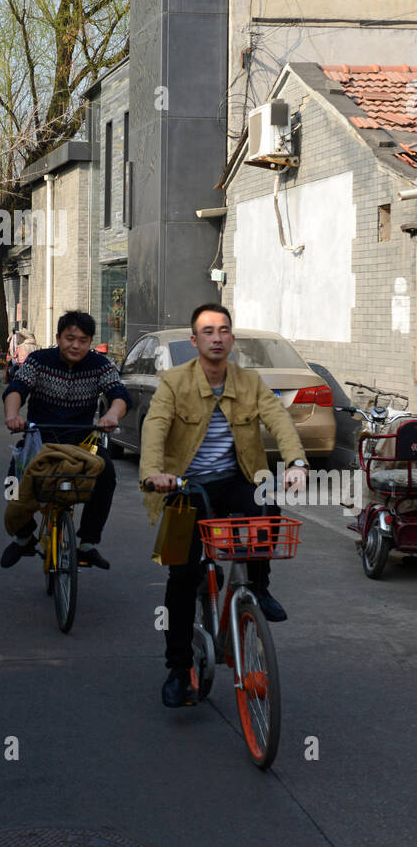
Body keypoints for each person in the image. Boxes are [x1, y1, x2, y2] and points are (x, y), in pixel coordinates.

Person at [139, 303, 308, 708]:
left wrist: (297, 463)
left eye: (224, 330)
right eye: (208, 331)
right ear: (195, 340)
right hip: (184, 487)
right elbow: (155, 426)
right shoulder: (174, 383)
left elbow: (279, 421)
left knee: (264, 501)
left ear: (232, 339)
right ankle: (178, 670)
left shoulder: (250, 382)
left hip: (236, 480)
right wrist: (153, 473)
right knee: (181, 580)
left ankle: (260, 588)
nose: (217, 337)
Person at [1, 310, 130, 570]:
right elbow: (17, 389)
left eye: (83, 340)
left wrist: (112, 415)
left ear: (90, 342)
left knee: (107, 474)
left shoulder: (100, 365)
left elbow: (119, 394)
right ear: (59, 337)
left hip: (82, 442)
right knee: (13, 481)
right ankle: (24, 536)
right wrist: (13, 415)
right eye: (70, 338)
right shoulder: (38, 361)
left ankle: (88, 544)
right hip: (40, 439)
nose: (76, 345)